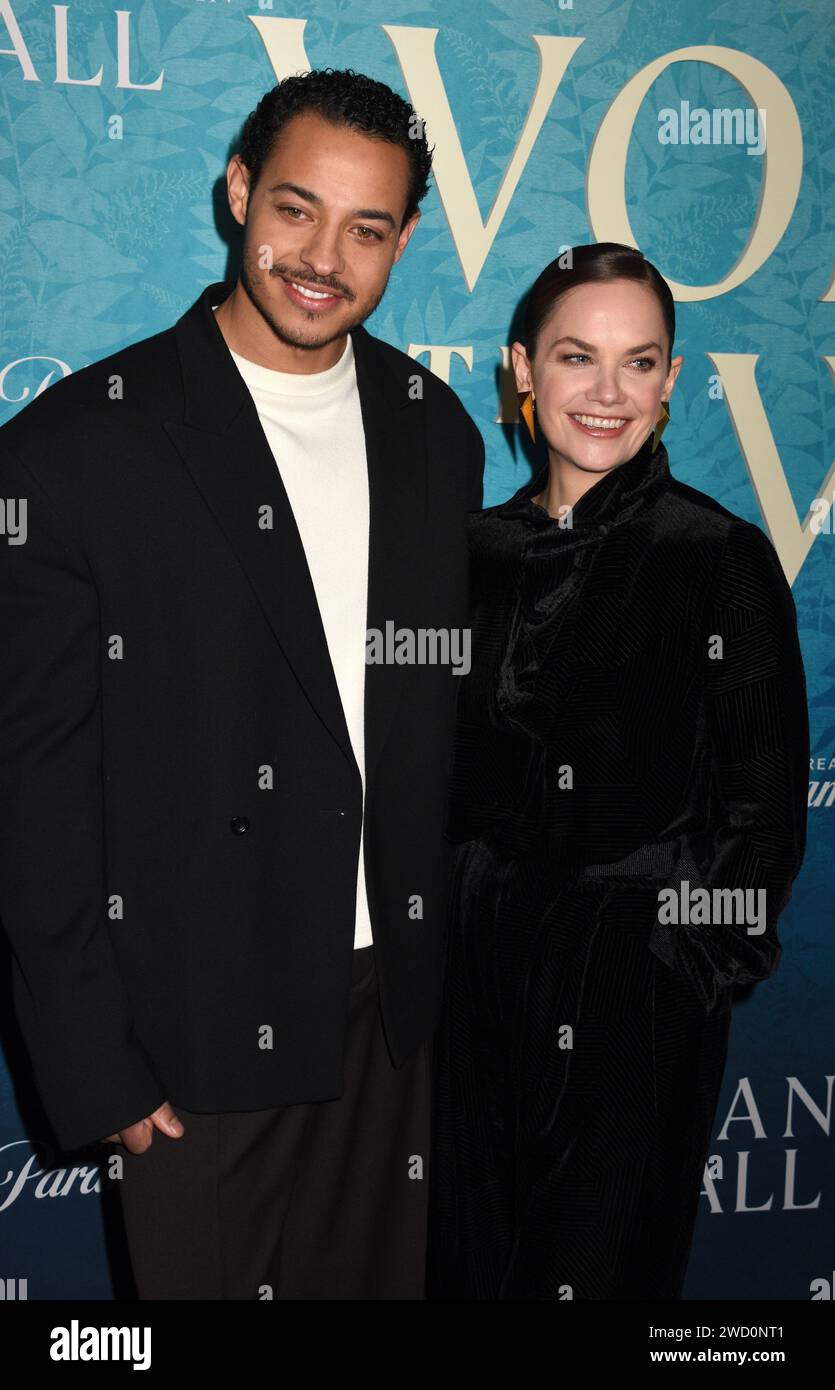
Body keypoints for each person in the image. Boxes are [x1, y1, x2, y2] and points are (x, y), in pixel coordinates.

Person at [0, 69, 483, 1300]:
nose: (323, 257)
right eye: (296, 209)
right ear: (235, 194)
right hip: (192, 1034)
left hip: (392, 1019)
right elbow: (33, 793)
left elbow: (427, 726)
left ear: (404, 240)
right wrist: (96, 1064)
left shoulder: (436, 430)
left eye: (367, 228)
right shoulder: (74, 446)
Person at [426, 242, 808, 1300]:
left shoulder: (715, 557)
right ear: (520, 368)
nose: (605, 393)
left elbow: (764, 819)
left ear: (671, 379)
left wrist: (667, 977)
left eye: (638, 362)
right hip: (464, 992)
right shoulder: (465, 550)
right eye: (574, 357)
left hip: (626, 1003)